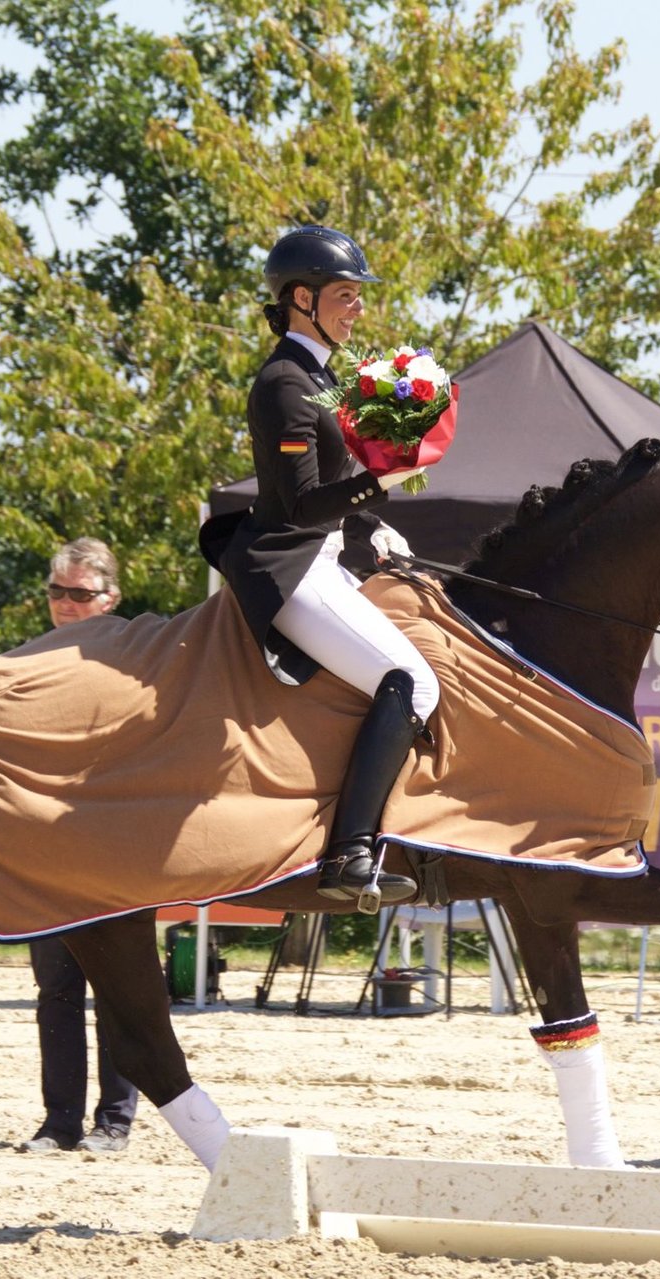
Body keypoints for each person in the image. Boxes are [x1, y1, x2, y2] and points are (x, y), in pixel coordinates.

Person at [197, 224, 439, 912]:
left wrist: (372, 524)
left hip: (325, 556)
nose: (358, 306)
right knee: (412, 681)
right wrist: (383, 483)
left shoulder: (321, 377)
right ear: (301, 298)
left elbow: (329, 486)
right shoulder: (283, 383)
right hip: (291, 569)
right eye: (344, 293)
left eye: (359, 294)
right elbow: (299, 502)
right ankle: (349, 855)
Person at [20, 538, 140, 1154]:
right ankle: (59, 1122)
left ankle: (115, 1122)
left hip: (120, 843)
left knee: (120, 990)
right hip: (52, 844)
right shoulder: (25, 661)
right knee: (57, 989)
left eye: (80, 594)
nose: (65, 604)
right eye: (57, 592)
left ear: (110, 597)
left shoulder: (134, 658)